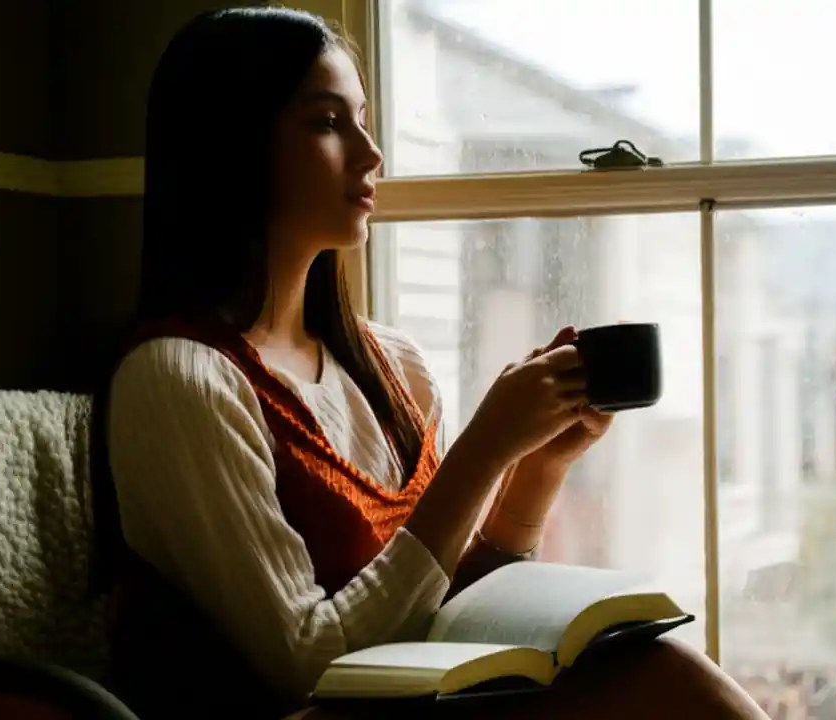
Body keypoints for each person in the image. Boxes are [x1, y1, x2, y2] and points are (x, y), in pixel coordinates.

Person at [88, 7, 770, 720]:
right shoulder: (179, 379)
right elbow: (310, 666)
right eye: (327, 123)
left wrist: (534, 471)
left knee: (663, 667)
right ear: (231, 145)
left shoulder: (393, 366)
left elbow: (440, 618)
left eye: (363, 119)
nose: (370, 153)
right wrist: (482, 452)